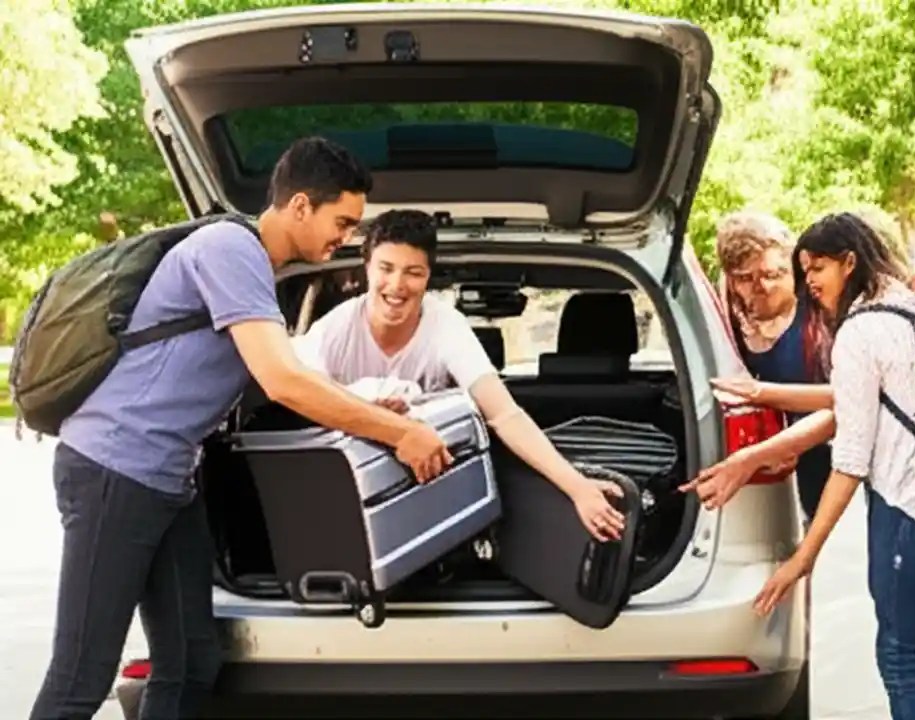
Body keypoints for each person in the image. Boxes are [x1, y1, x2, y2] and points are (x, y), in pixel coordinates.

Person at [29, 137, 472, 720]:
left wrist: (372, 410)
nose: (347, 237)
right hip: (115, 469)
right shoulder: (230, 250)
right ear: (299, 207)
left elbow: (278, 383)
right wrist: (399, 436)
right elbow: (285, 379)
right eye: (342, 221)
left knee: (192, 662)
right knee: (80, 679)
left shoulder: (261, 273)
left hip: (168, 477)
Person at [753, 212, 915, 720]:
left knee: (904, 664)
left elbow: (849, 459)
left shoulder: (861, 333)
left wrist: (805, 556)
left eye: (817, 267)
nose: (810, 282)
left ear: (850, 261)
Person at [291, 208, 626, 539]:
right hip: (346, 498)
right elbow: (293, 393)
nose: (397, 285)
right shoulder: (335, 328)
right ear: (366, 268)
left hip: (434, 493)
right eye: (386, 268)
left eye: (413, 272)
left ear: (428, 277)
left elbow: (505, 415)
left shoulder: (445, 326)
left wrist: (577, 486)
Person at [681, 210, 835, 520]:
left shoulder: (822, 314)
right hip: (763, 460)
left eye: (773, 274)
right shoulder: (726, 311)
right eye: (745, 278)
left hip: (827, 450)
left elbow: (844, 401)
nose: (761, 286)